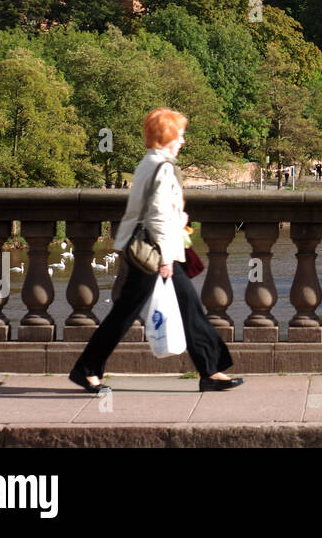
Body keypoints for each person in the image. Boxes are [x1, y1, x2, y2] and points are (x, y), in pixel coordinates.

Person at [70, 108, 243, 394]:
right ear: (167, 136)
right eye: (180, 135)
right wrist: (165, 258)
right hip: (154, 252)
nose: (183, 140)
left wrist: (177, 219)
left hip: (147, 248)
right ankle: (87, 370)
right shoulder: (162, 166)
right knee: (129, 313)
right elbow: (158, 216)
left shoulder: (149, 162)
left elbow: (154, 209)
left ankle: (210, 370)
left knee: (184, 307)